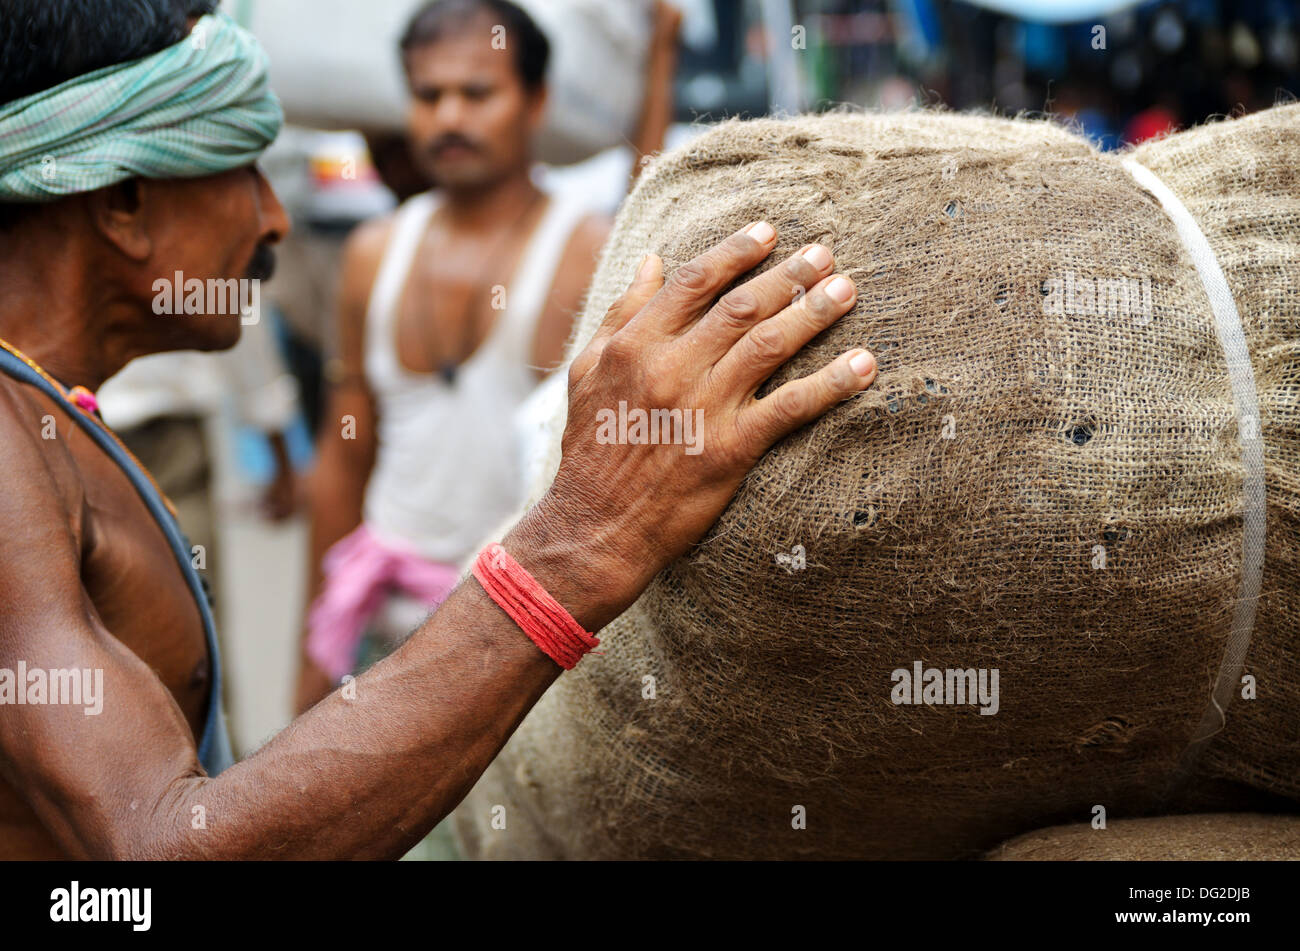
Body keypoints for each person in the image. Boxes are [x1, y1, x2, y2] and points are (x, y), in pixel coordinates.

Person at [0, 0, 876, 859]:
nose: (273, 216)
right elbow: (164, 853)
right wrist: (579, 543)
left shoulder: (48, 416)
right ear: (124, 198)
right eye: (242, 168)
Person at [294, 0, 679, 710]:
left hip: (524, 637)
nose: (448, 118)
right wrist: (313, 662)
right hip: (386, 635)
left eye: (477, 93)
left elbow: (649, 218)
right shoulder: (372, 253)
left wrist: (659, 62)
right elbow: (345, 454)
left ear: (536, 102)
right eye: (427, 94)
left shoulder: (584, 248)